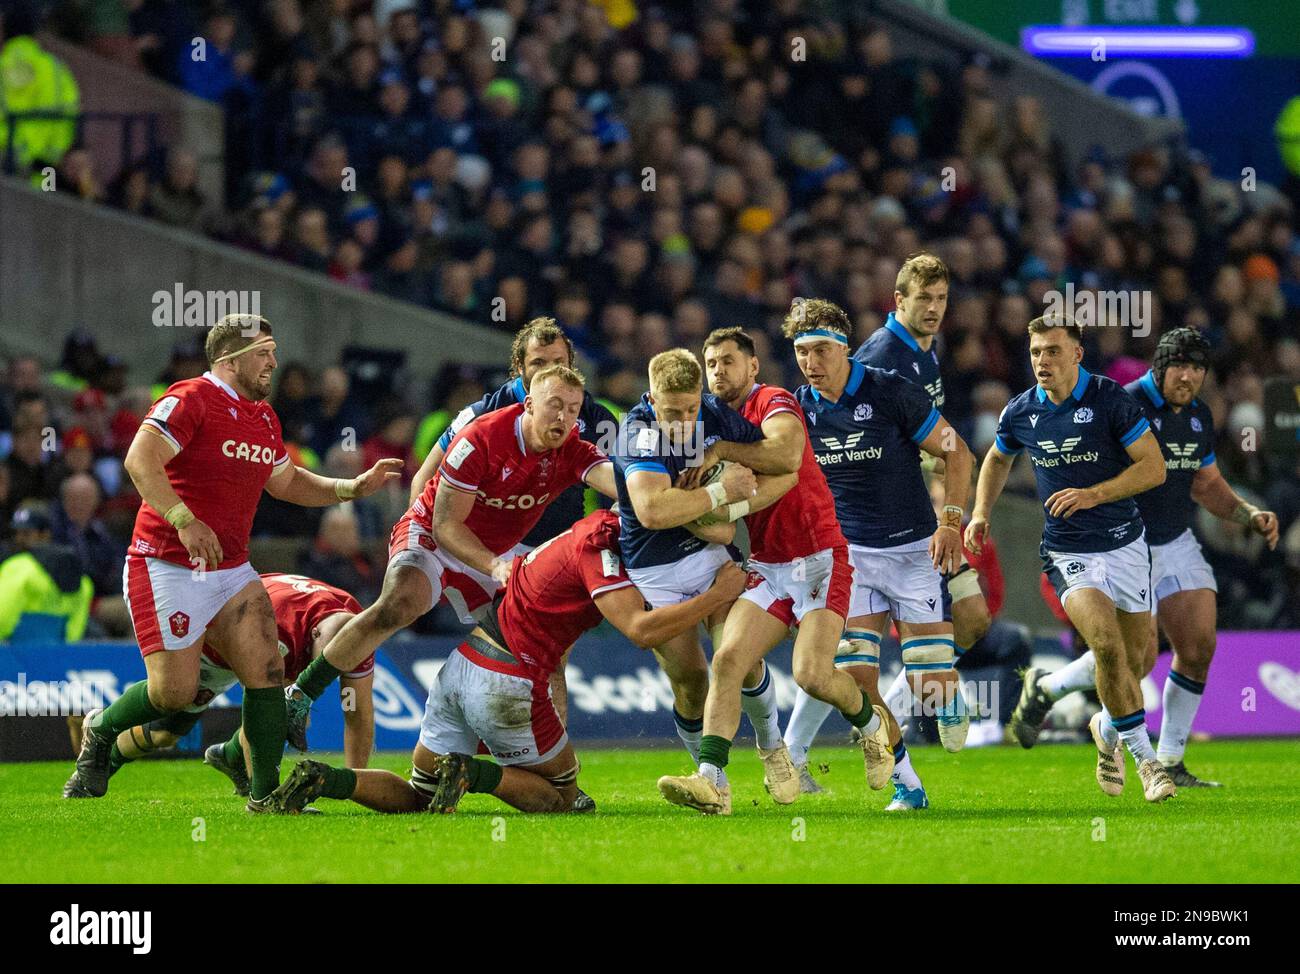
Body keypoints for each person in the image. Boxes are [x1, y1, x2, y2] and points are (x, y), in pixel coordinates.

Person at [62, 314, 401, 812]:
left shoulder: (263, 417)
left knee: (265, 670)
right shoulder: (191, 398)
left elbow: (285, 482)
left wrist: (349, 487)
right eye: (264, 352)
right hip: (167, 561)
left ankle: (266, 796)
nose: (273, 362)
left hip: (230, 570)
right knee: (173, 694)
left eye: (274, 352)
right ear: (230, 359)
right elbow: (140, 459)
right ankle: (101, 728)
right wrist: (182, 518)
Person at [269, 510, 748, 815]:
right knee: (562, 794)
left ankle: (325, 778)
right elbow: (642, 632)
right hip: (508, 681)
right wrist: (717, 594)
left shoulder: (579, 532)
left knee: (419, 792)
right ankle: (472, 772)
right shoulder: (600, 551)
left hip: (460, 664)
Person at [283, 363, 617, 748]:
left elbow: (621, 486)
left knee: (542, 649)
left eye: (573, 409)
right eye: (554, 404)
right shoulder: (483, 438)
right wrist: (493, 565)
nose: (563, 417)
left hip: (494, 552)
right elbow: (446, 527)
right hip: (435, 534)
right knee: (399, 603)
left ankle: (549, 763)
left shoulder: (573, 449)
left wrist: (666, 491)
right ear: (528, 403)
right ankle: (300, 695)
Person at [1007, 328, 1279, 786]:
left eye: (1198, 369)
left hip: (1175, 539)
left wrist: (1247, 514)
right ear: (1160, 365)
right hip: (1119, 543)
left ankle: (1168, 759)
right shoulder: (1121, 402)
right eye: (1180, 366)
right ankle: (1056, 691)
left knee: (1198, 646)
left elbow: (1206, 482)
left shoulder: (1196, 415)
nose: (1188, 377)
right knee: (1137, 657)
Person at [655, 327, 894, 815]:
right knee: (727, 661)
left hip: (822, 558)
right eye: (712, 364)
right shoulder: (707, 419)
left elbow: (787, 454)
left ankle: (871, 728)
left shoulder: (773, 400)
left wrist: (720, 453)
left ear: (753, 366)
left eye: (728, 361)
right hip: (768, 564)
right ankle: (714, 781)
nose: (719, 372)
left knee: (811, 675)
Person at [966, 314, 1176, 802]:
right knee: (1105, 646)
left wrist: (1093, 494)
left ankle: (1098, 722)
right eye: (1036, 352)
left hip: (1125, 544)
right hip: (1069, 551)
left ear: (1077, 354)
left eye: (1053, 351)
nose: (1042, 361)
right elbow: (998, 457)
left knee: (1137, 659)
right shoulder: (1021, 411)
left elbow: (1154, 467)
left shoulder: (1109, 399)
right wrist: (979, 513)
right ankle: (1149, 765)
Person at [778, 299, 974, 811]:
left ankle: (945, 693)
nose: (810, 362)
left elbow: (957, 451)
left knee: (927, 685)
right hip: (852, 560)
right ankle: (908, 784)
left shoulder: (891, 391)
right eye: (801, 352)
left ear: (845, 347)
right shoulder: (798, 410)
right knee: (858, 683)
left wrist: (951, 520)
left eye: (821, 349)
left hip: (914, 551)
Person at [408, 318, 620, 723]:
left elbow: (622, 486)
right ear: (519, 369)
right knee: (493, 651)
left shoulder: (597, 419)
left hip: (556, 549)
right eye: (538, 363)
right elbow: (425, 476)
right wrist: (413, 537)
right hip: (490, 549)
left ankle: (552, 764)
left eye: (558, 362)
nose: (547, 371)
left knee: (550, 660)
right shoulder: (484, 412)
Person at [612, 348, 795, 794]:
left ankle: (773, 752)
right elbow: (653, 511)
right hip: (655, 571)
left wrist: (737, 495)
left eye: (691, 408)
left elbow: (786, 466)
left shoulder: (713, 414)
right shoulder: (636, 433)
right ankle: (711, 780)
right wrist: (717, 501)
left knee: (739, 659)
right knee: (691, 684)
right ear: (651, 400)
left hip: (714, 560)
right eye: (672, 412)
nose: (683, 421)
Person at [854, 253, 988, 744]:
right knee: (851, 654)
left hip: (922, 509)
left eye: (941, 299)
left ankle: (905, 697)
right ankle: (800, 749)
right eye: (924, 299)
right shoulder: (881, 356)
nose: (934, 308)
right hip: (883, 523)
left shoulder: (925, 349)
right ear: (898, 301)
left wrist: (941, 479)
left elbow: (918, 437)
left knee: (972, 619)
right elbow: (861, 440)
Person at [105, 573, 375, 794]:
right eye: (322, 665)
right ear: (314, 634)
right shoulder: (281, 629)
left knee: (288, 715)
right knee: (167, 733)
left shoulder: (359, 634)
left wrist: (356, 787)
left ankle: (229, 755)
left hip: (266, 621)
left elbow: (358, 715)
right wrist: (266, 795)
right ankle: (104, 752)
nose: (324, 674)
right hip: (215, 641)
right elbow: (261, 707)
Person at [0, 503, 92, 642]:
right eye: (16, 533)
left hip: (14, 656)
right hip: (56, 658)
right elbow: (73, 634)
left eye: (26, 533)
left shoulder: (18, 568)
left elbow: (2, 617)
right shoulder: (80, 578)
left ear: (45, 534)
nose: (19, 539)